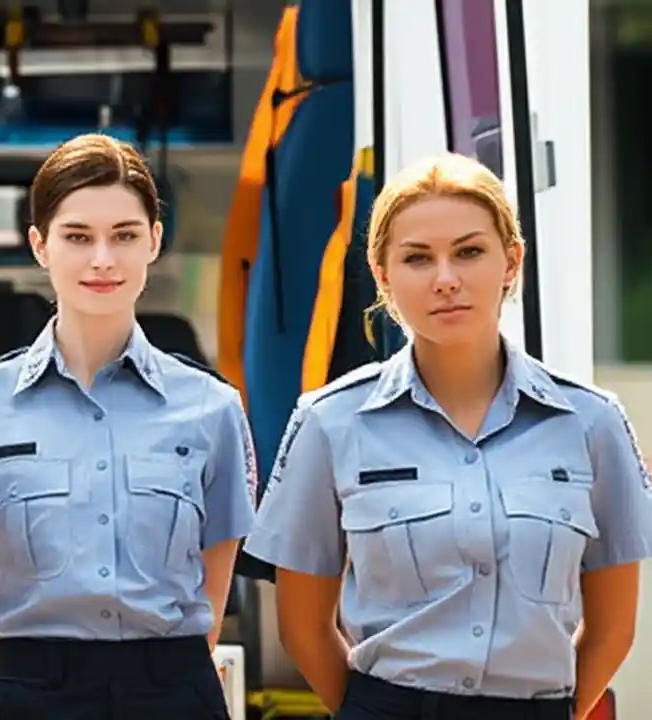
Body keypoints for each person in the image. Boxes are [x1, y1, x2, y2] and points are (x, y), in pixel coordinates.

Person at [242, 152, 652, 720]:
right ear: (382, 274)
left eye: (469, 252)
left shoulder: (592, 423)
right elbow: (303, 629)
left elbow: (612, 630)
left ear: (512, 262)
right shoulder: (329, 423)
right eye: (417, 258)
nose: (446, 280)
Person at [0, 133, 257, 720]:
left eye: (125, 236)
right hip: (29, 693)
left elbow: (212, 587)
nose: (103, 259)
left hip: (175, 691)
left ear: (155, 241)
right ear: (40, 245)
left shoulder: (212, 410)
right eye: (78, 237)